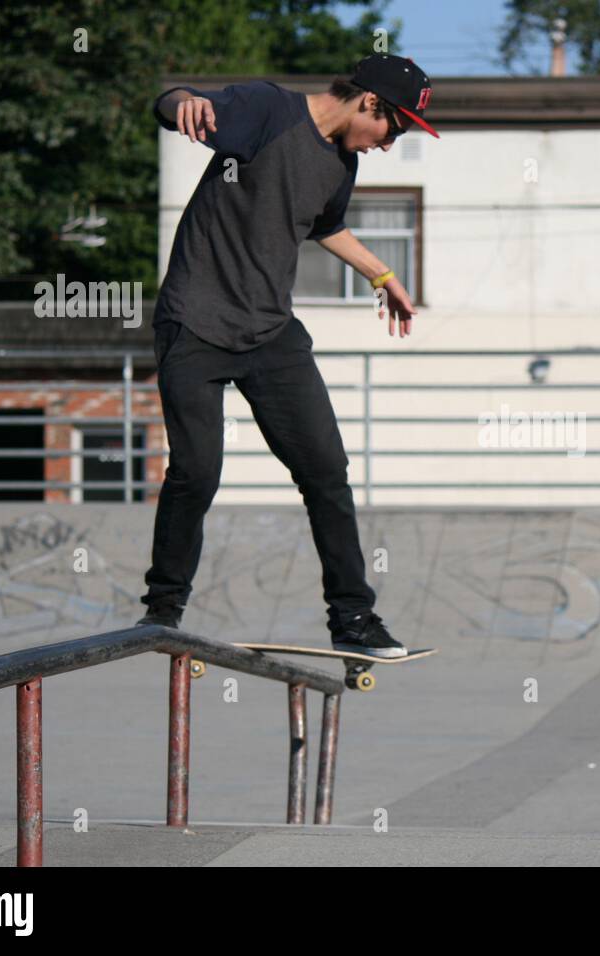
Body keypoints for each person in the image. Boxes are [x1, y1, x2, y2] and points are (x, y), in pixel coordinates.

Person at [137, 54, 439, 658]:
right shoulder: (267, 110)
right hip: (194, 323)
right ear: (369, 104)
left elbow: (326, 226)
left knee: (326, 471)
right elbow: (172, 102)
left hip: (270, 334)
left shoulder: (340, 163)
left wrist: (384, 275)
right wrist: (181, 103)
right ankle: (162, 612)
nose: (390, 144)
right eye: (394, 129)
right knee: (197, 471)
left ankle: (353, 618)